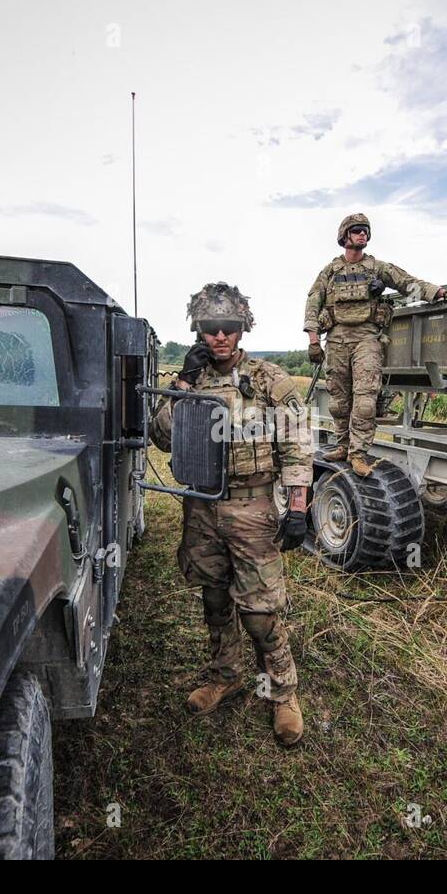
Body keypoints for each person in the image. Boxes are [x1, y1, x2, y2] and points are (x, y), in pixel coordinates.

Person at [150, 283, 313, 746]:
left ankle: (283, 693)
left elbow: (297, 446)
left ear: (242, 330)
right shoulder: (191, 381)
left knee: (261, 613)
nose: (220, 336)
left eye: (229, 328)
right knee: (215, 599)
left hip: (252, 505)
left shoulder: (267, 379)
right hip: (202, 506)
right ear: (198, 331)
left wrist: (297, 509)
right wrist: (181, 384)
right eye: (210, 328)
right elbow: (160, 437)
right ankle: (225, 675)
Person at [303, 213, 447, 476]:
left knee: (365, 401)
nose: (362, 234)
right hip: (336, 340)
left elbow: (408, 283)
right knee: (339, 401)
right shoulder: (330, 272)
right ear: (345, 236)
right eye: (356, 230)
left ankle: (358, 454)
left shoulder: (378, 268)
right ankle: (342, 446)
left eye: (365, 230)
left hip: (367, 339)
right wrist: (312, 340)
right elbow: (313, 302)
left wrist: (440, 292)